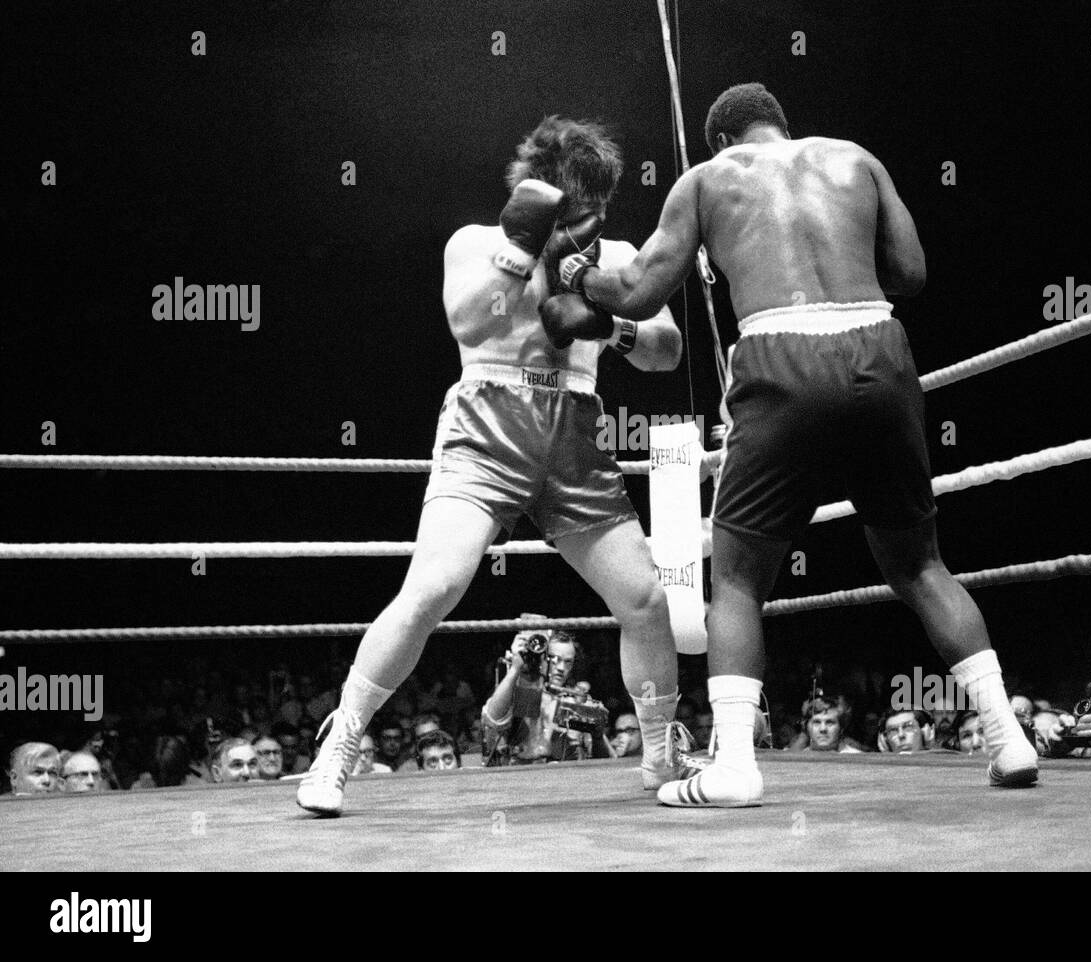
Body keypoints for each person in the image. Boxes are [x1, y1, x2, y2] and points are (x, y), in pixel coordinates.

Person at [557, 82, 1039, 805]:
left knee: (742, 579)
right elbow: (910, 275)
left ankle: (736, 767)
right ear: (780, 124)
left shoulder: (707, 179)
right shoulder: (857, 159)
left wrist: (579, 274)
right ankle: (1009, 739)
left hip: (782, 353)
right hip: (879, 346)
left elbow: (637, 296)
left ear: (723, 141)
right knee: (920, 566)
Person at [297, 117, 688, 816]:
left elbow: (667, 349)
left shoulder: (617, 254)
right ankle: (339, 748)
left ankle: (660, 753)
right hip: (487, 423)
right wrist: (519, 251)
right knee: (433, 589)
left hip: (574, 434)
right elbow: (469, 324)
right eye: (572, 207)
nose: (588, 220)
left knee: (646, 601)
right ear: (537, 194)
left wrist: (611, 321)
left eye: (597, 206)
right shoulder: (477, 242)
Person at [480, 621, 615, 764]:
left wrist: (598, 736)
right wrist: (515, 667)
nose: (561, 667)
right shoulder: (521, 694)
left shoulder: (575, 703)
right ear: (541, 656)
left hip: (567, 780)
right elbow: (492, 720)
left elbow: (608, 763)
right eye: (554, 659)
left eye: (568, 662)